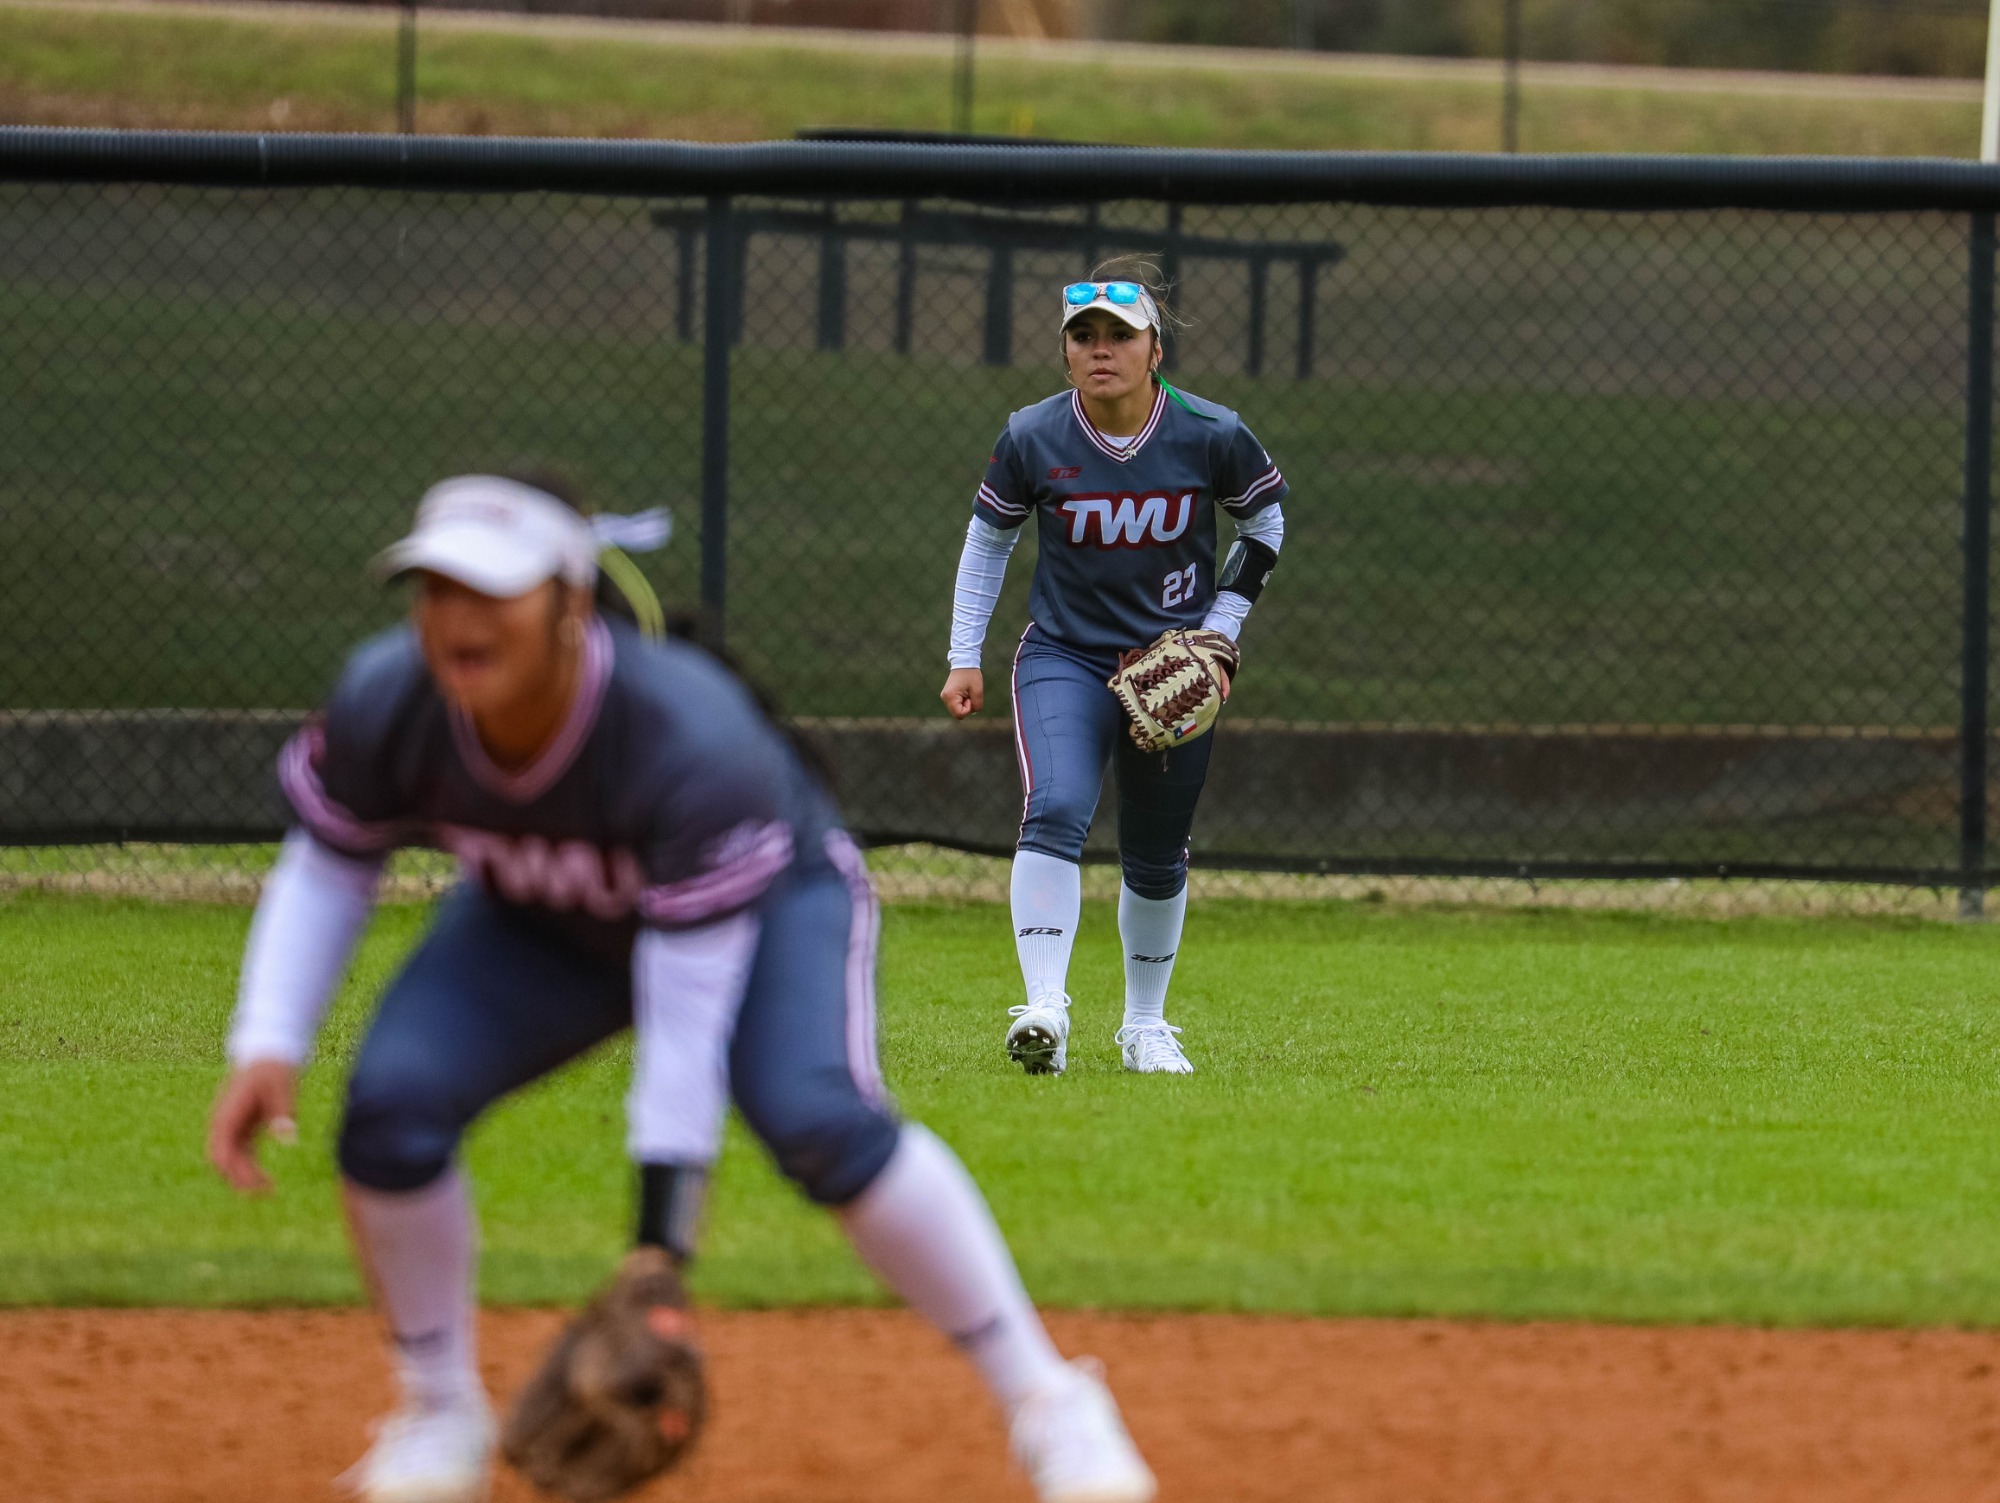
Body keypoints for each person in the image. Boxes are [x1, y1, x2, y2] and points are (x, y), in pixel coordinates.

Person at [205, 474, 1156, 1503]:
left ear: (570, 602)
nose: (457, 619)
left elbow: (684, 1024)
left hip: (769, 900)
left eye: (492, 591)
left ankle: (1049, 1402)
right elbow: (331, 862)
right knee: (391, 1105)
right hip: (546, 917)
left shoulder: (683, 736)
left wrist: (658, 1250)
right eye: (436, 589)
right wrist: (269, 1039)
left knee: (817, 1119)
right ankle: (438, 1413)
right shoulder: (388, 697)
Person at [940, 261, 1289, 1078]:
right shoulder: (1033, 434)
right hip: (1064, 653)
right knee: (1056, 806)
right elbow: (988, 541)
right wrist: (963, 655)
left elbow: (1265, 521)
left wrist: (1219, 631)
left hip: (1173, 667)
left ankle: (1145, 1025)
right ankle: (1045, 1008)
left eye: (1120, 336)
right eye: (1084, 336)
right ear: (1065, 352)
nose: (1102, 350)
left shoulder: (1210, 431)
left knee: (1157, 849)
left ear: (1154, 350)